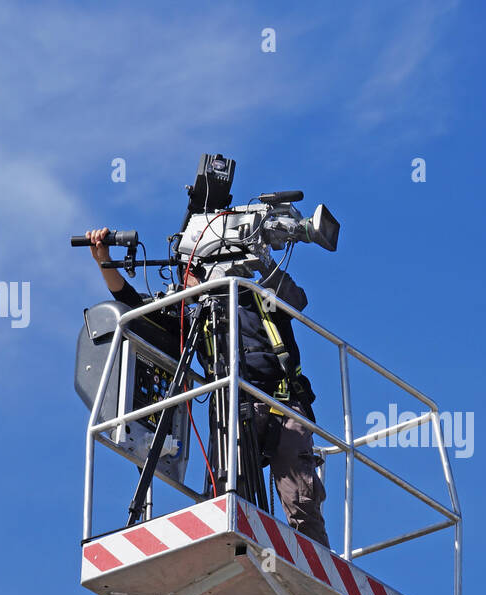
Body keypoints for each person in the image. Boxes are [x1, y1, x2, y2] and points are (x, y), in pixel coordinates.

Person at [85, 227, 330, 548]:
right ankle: (235, 557)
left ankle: (314, 566)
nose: (182, 280)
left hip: (285, 407)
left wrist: (261, 261)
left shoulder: (254, 294)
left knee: (302, 503)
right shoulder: (192, 312)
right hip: (233, 411)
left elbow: (296, 299)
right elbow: (132, 303)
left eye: (189, 271)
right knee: (226, 502)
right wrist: (104, 260)